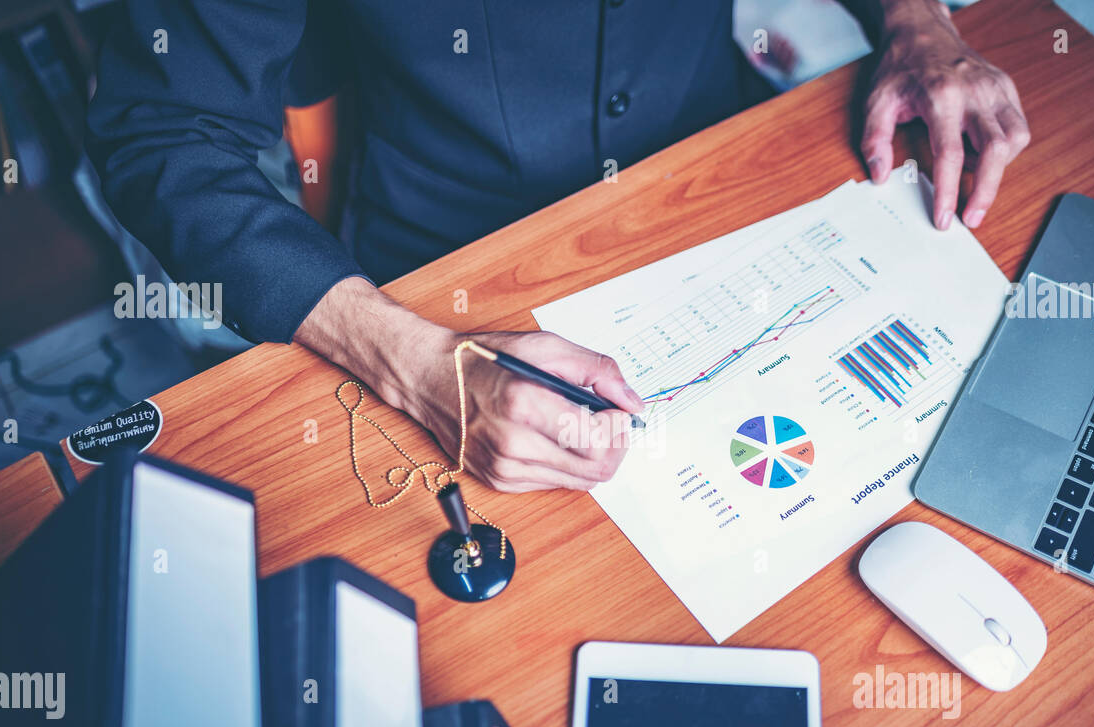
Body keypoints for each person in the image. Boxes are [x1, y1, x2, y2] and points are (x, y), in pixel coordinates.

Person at [88, 0, 1029, 492]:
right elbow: (158, 130)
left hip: (721, 178)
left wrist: (916, 19)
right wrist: (423, 369)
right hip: (451, 283)